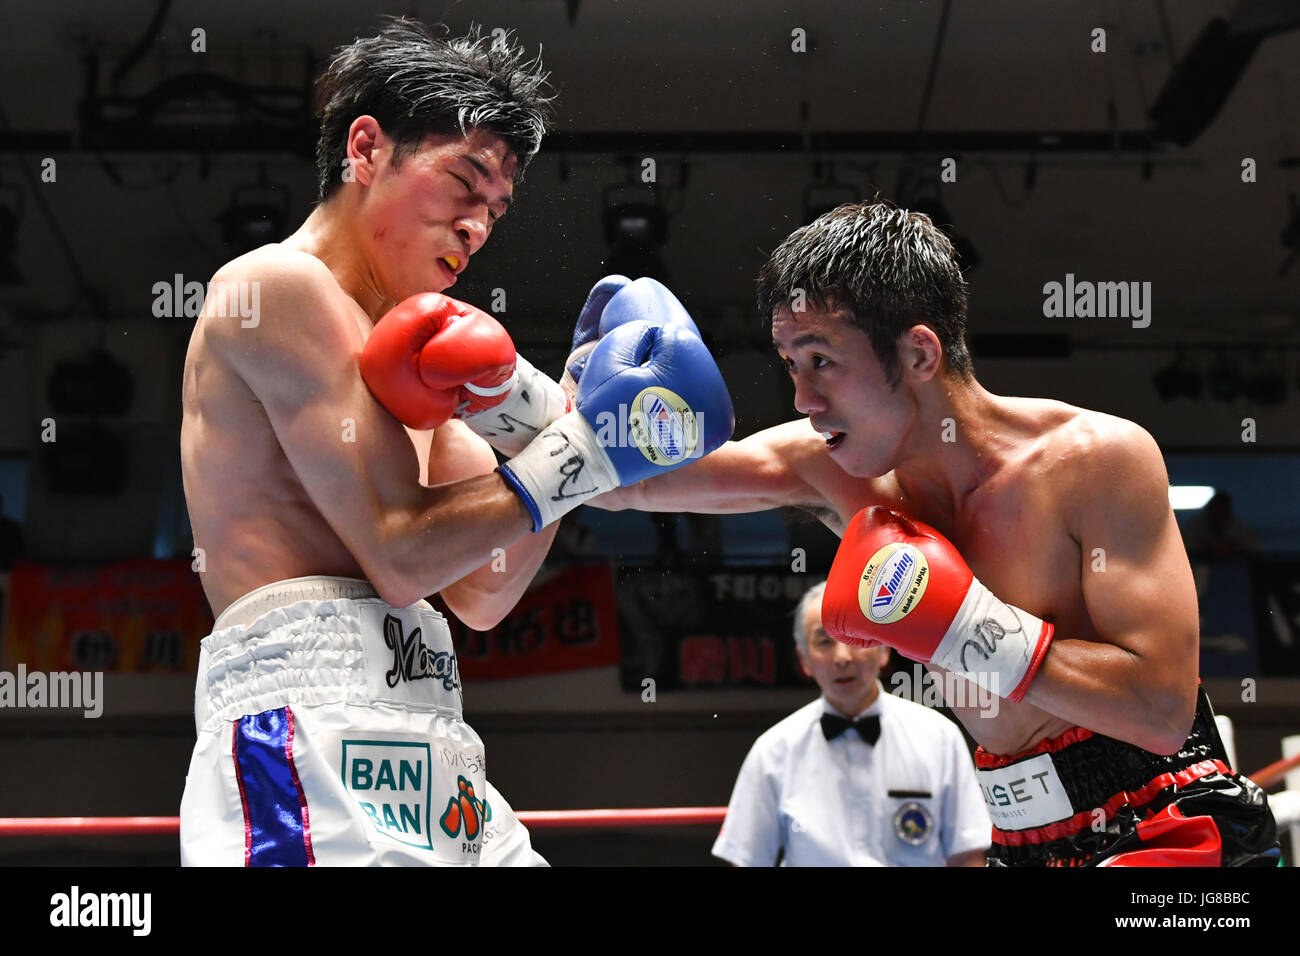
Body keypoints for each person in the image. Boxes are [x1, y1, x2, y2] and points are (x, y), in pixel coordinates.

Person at [178, 19, 733, 866]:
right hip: (303, 736)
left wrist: (560, 421)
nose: (478, 225)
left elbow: (483, 588)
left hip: (429, 732)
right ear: (366, 148)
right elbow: (401, 557)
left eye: (496, 209)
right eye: (464, 183)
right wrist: (582, 443)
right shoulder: (275, 287)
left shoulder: (419, 356)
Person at [592, 202, 1280, 866]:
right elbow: (633, 483)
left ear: (919, 353)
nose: (803, 398)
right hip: (1018, 844)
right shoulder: (830, 468)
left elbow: (1161, 710)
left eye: (822, 360)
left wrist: (966, 626)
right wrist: (528, 396)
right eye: (790, 364)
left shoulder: (1095, 460)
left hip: (1161, 823)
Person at [712, 581, 990, 866]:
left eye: (854, 638)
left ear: (883, 649)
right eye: (824, 642)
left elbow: (967, 855)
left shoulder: (940, 737)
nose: (842, 657)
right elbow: (747, 859)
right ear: (804, 660)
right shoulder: (773, 750)